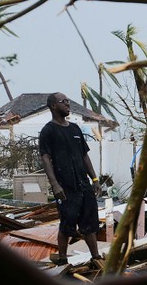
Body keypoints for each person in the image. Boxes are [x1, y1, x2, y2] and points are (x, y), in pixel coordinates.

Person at [39, 92, 102, 265]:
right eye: (64, 102)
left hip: (83, 184)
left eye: (68, 101)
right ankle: (62, 260)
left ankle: (96, 257)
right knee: (67, 223)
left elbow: (84, 156)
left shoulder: (75, 129)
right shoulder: (48, 131)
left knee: (89, 222)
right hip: (65, 187)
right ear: (53, 106)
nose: (68, 104)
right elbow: (46, 158)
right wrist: (55, 185)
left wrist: (94, 179)